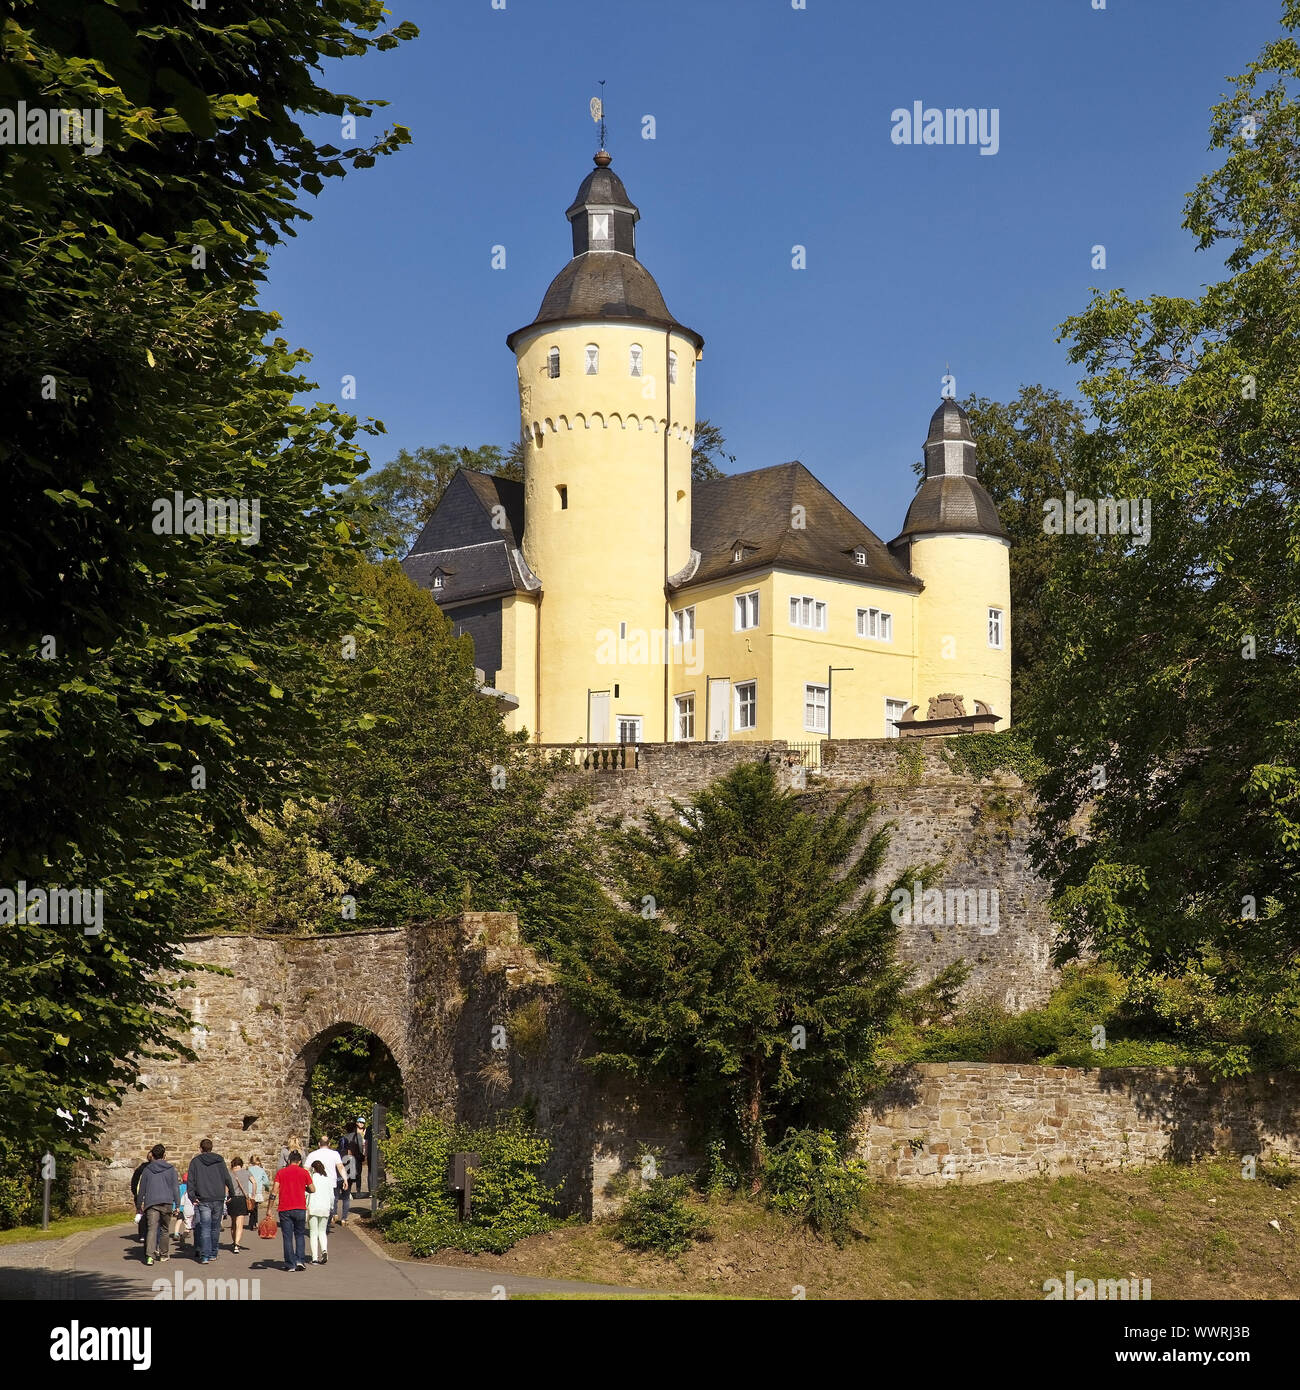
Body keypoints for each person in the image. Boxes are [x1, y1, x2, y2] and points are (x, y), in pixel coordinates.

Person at [186, 1138, 235, 1265]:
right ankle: (213, 1252)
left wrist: (192, 1197)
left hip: (203, 1197)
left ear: (201, 1148)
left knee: (205, 1227)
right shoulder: (219, 1160)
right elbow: (226, 1177)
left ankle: (205, 1255)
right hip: (218, 1196)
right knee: (215, 1227)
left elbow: (190, 1180)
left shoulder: (195, 1162)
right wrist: (231, 1192)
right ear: (211, 1148)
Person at [135, 1144, 180, 1267]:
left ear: (153, 1156)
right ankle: (164, 1254)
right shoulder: (171, 1169)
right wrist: (178, 1204)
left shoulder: (147, 1170)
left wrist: (139, 1205)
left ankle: (150, 1256)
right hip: (167, 1202)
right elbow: (175, 1188)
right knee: (165, 1229)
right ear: (164, 1155)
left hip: (152, 1203)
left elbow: (142, 1189)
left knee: (152, 1229)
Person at [270, 1149, 314, 1272]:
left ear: (289, 1160)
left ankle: (290, 1264)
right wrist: (304, 1188)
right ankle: (300, 1260)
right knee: (299, 1235)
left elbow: (274, 1191)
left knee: (287, 1237)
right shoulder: (304, 1173)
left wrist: (269, 1208)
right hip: (300, 1207)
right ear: (299, 1161)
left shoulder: (281, 1173)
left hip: (285, 1208)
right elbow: (313, 1189)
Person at [304, 1135, 347, 1231]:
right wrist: (345, 1179)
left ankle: (316, 1222)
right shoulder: (335, 1154)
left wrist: (306, 1182)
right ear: (330, 1144)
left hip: (316, 1182)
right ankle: (326, 1223)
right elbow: (340, 1167)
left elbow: (306, 1169)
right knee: (331, 1203)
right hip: (331, 1182)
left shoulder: (313, 1154)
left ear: (319, 1144)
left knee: (316, 1200)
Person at [306, 1160, 334, 1265]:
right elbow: (332, 1196)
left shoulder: (312, 1179)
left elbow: (307, 1193)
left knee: (313, 1233)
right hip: (325, 1208)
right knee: (322, 1232)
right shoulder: (328, 1180)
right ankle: (324, 1250)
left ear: (313, 1169)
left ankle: (314, 1258)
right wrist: (331, 1207)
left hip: (313, 1207)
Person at [227, 1157, 255, 1253]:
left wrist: (226, 1197)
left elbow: (226, 1187)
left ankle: (234, 1241)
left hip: (232, 1198)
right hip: (242, 1198)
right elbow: (254, 1182)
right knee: (240, 1224)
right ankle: (237, 1244)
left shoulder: (229, 1173)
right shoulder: (246, 1172)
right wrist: (253, 1194)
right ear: (241, 1164)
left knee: (233, 1222)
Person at [130, 1149, 152, 1244]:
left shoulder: (140, 1169)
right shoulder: (151, 1169)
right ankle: (149, 1234)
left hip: (140, 1195)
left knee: (142, 1214)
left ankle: (142, 1234)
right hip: (150, 1195)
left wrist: (135, 1194)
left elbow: (134, 1182)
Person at [245, 1155, 269, 1228]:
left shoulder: (248, 1169)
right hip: (257, 1191)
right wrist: (267, 1188)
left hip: (249, 1190)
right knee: (255, 1207)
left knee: (250, 1207)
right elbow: (266, 1181)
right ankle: (254, 1222)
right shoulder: (261, 1170)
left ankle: (252, 1222)